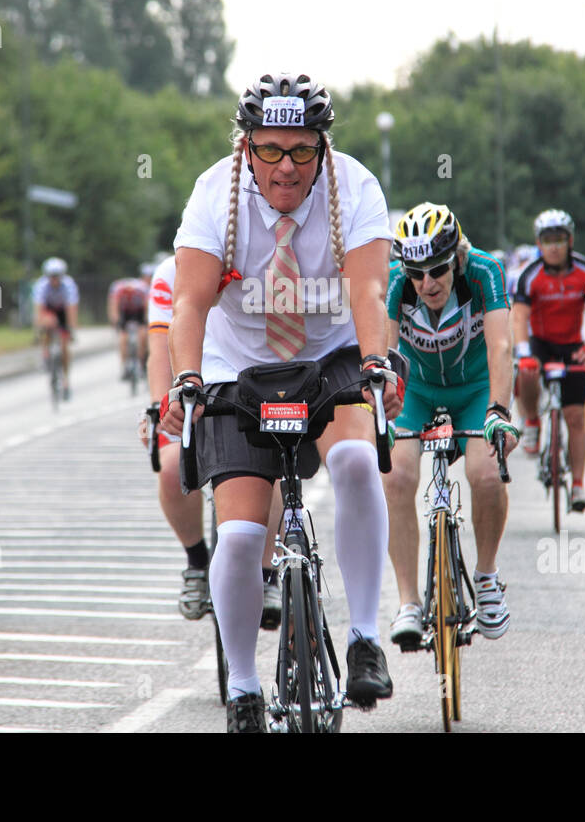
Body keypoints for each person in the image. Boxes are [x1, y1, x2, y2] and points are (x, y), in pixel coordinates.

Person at [160, 72, 404, 733]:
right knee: (239, 537)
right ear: (246, 147)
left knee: (357, 464)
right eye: (270, 149)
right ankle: (242, 686)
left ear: (322, 148)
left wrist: (378, 364)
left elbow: (370, 293)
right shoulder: (217, 192)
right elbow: (188, 301)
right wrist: (185, 379)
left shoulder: (353, 187)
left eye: (301, 150)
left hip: (331, 356)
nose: (286, 167)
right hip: (239, 366)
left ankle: (361, 638)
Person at [382, 203, 520, 650]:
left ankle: (486, 576)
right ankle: (407, 602)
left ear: (457, 257)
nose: (427, 282)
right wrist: (377, 417)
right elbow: (384, 357)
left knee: (484, 473)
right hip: (417, 391)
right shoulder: (396, 283)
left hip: (475, 389)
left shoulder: (485, 272)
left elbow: (501, 346)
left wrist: (499, 411)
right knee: (396, 474)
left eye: (438, 269)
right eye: (416, 272)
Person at [141, 254, 283, 626]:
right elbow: (158, 351)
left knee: (274, 469)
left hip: (253, 384)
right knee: (172, 470)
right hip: (189, 391)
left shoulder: (259, 258)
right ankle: (197, 564)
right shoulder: (169, 273)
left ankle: (267, 573)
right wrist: (158, 407)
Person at [512, 209, 585, 509]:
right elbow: (519, 318)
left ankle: (578, 485)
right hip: (540, 344)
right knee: (526, 372)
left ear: (570, 240)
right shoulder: (530, 275)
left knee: (576, 417)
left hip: (572, 345)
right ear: (539, 244)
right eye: (547, 240)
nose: (553, 246)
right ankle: (531, 420)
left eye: (559, 239)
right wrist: (524, 353)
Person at [32, 257, 79, 400]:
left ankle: (65, 381)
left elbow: (72, 309)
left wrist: (71, 329)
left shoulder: (69, 285)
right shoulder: (41, 285)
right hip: (49, 310)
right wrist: (38, 330)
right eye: (51, 277)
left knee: (64, 347)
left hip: (63, 310)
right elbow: (38, 310)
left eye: (57, 277)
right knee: (47, 323)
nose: (54, 280)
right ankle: (45, 354)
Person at [107, 268, 152, 379]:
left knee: (143, 336)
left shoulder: (141, 289)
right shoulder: (118, 290)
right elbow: (113, 307)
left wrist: (147, 322)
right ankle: (125, 367)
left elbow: (147, 307)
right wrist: (115, 322)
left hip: (138, 312)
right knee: (123, 339)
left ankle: (142, 364)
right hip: (125, 313)